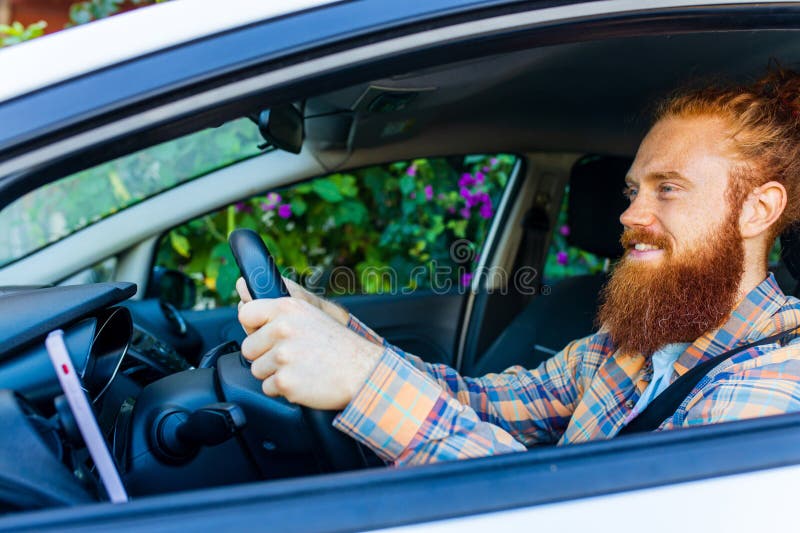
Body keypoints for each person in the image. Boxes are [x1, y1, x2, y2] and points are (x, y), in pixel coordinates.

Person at [236, 68, 800, 466]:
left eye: (668, 189)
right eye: (632, 190)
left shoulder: (773, 386)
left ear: (758, 209)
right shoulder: (628, 344)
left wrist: (364, 381)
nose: (629, 214)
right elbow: (486, 406)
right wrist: (336, 330)